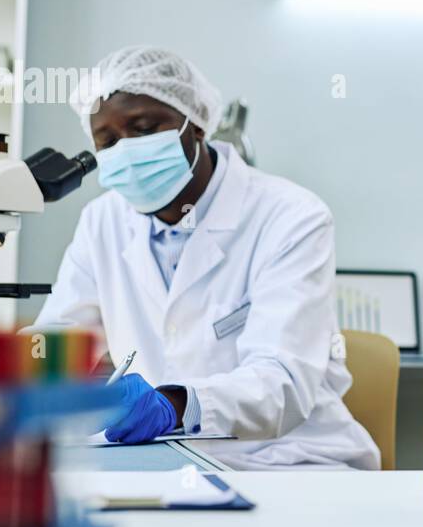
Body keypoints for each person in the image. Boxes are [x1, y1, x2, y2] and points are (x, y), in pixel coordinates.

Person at [34, 46, 379, 470]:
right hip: (166, 459)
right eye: (106, 142)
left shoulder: (291, 216)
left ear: (195, 123)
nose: (125, 151)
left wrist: (174, 404)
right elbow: (59, 339)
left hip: (290, 460)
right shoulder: (101, 221)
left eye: (143, 129)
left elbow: (281, 380)